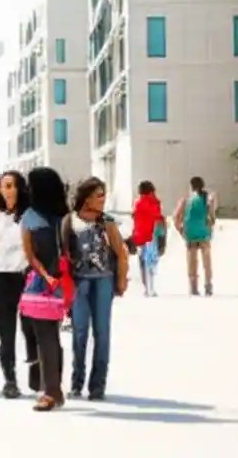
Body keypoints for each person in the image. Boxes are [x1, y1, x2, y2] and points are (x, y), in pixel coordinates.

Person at [65, 177, 128, 401]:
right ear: (86, 197)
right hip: (79, 283)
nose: (103, 199)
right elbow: (64, 256)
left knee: (102, 333)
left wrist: (121, 281)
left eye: (104, 195)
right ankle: (76, 383)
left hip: (103, 281)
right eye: (99, 195)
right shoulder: (70, 222)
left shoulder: (107, 222)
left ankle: (98, 385)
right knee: (79, 333)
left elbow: (121, 253)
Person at [20, 167, 72, 411]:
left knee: (44, 335)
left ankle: (51, 390)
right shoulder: (67, 216)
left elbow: (30, 255)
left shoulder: (30, 217)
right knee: (53, 336)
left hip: (44, 284)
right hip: (67, 281)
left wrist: (46, 276)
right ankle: (54, 388)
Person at [0, 172, 37, 399]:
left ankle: (36, 374)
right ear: (0, 189)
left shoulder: (29, 215)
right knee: (6, 332)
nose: (9, 190)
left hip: (25, 275)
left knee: (30, 329)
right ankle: (10, 380)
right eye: (5, 186)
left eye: (13, 185)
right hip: (1, 276)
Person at [174, 176, 216, 296]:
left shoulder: (185, 200)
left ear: (191, 187)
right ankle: (208, 286)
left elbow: (176, 217)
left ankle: (193, 287)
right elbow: (212, 218)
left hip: (190, 235)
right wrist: (209, 228)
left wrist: (181, 230)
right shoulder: (207, 199)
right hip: (204, 234)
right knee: (207, 262)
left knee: (192, 262)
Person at [130, 181, 165, 297]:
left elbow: (134, 218)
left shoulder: (137, 203)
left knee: (142, 262)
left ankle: (146, 288)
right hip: (151, 236)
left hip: (139, 235)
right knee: (151, 261)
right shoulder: (155, 202)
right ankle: (151, 288)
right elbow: (158, 218)